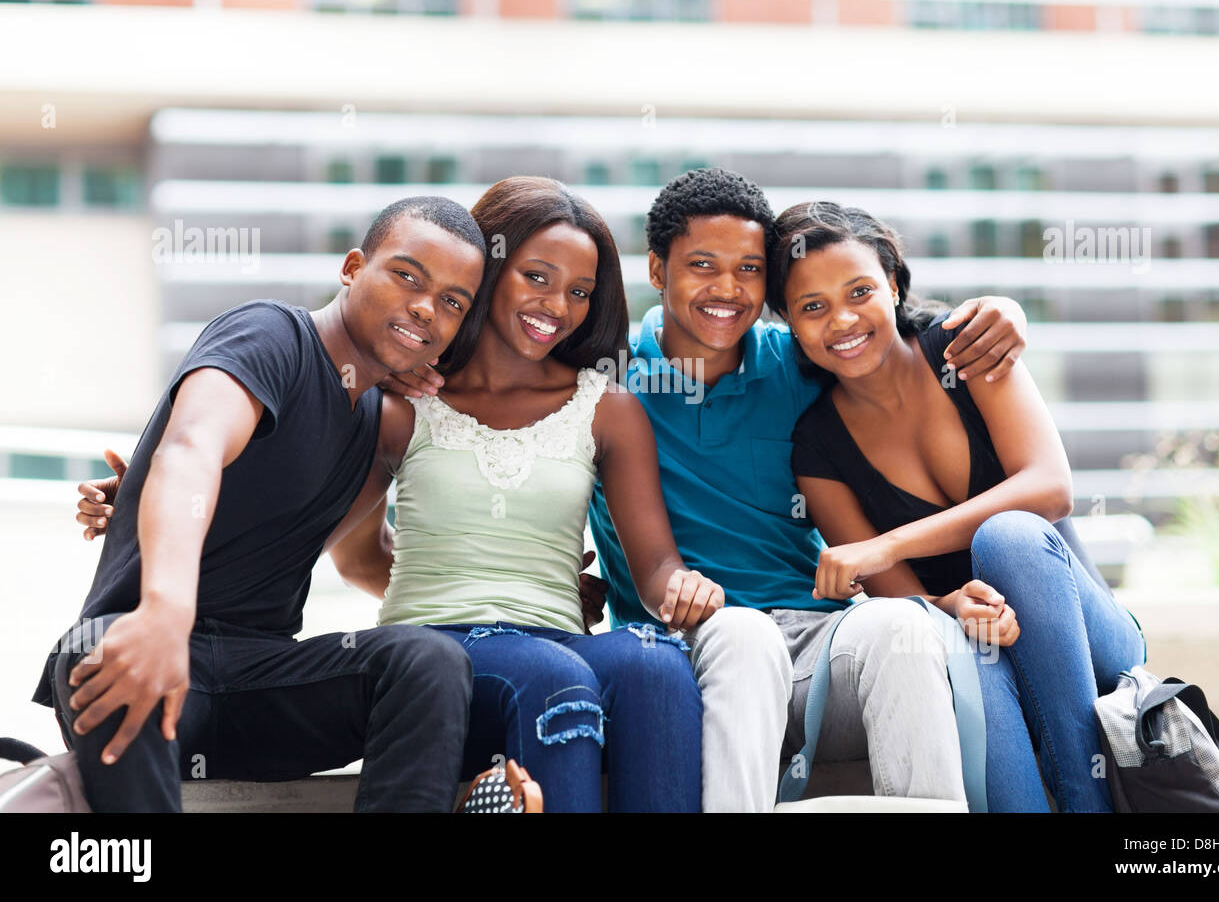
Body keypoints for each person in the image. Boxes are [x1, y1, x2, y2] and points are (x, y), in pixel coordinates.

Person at [582, 168, 1032, 810]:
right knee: (745, 636)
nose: (726, 289)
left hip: (816, 638)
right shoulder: (610, 375)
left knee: (898, 627)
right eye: (702, 266)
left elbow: (883, 336)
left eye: (747, 269)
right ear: (657, 270)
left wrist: (997, 312)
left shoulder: (796, 361)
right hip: (693, 648)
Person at [48, 196, 489, 812]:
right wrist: (165, 615)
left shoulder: (377, 420)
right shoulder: (271, 333)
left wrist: (522, 591)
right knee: (107, 652)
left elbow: (361, 560)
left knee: (430, 661)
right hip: (139, 642)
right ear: (352, 267)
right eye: (407, 276)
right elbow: (190, 451)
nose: (425, 306)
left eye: (451, 301)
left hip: (260, 680)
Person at [285, 177, 712, 812]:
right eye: (536, 277)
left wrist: (680, 586)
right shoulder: (405, 403)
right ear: (487, 268)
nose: (557, 306)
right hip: (433, 670)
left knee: (657, 666)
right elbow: (346, 552)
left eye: (579, 292)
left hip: (556, 646)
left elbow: (655, 566)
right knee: (551, 673)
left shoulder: (607, 408)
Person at [767, 200, 1146, 812]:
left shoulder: (965, 348)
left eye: (859, 290)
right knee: (963, 651)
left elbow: (1050, 488)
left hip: (1086, 637)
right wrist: (950, 602)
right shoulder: (816, 446)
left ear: (892, 284)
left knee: (1010, 538)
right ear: (788, 321)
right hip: (976, 641)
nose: (841, 319)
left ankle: (1085, 798)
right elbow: (904, 602)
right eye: (812, 307)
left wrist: (889, 541)